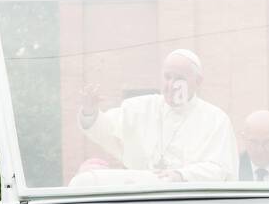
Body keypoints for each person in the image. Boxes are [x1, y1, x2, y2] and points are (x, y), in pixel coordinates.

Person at [78, 49, 239, 183]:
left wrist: (181, 175)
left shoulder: (216, 119)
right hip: (144, 200)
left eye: (179, 79)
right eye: (167, 77)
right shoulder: (139, 108)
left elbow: (220, 168)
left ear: (198, 81)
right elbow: (106, 130)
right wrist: (90, 112)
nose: (171, 85)